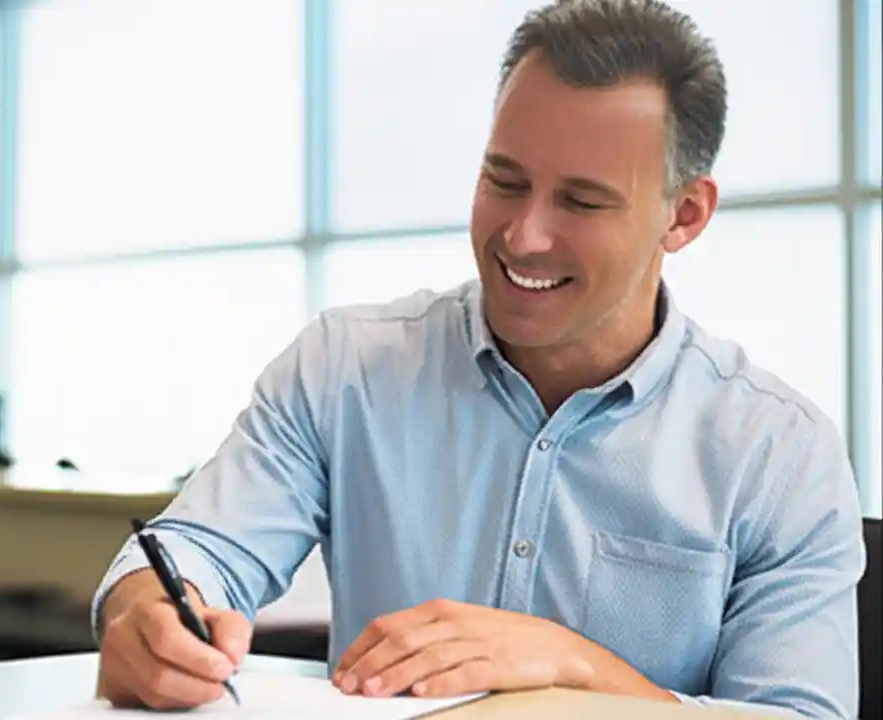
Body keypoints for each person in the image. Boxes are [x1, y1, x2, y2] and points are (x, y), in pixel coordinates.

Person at [90, 0, 865, 716]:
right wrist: (149, 614)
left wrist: (575, 665)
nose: (524, 236)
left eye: (582, 202)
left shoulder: (778, 452)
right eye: (505, 180)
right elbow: (198, 548)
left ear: (684, 214)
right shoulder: (345, 368)